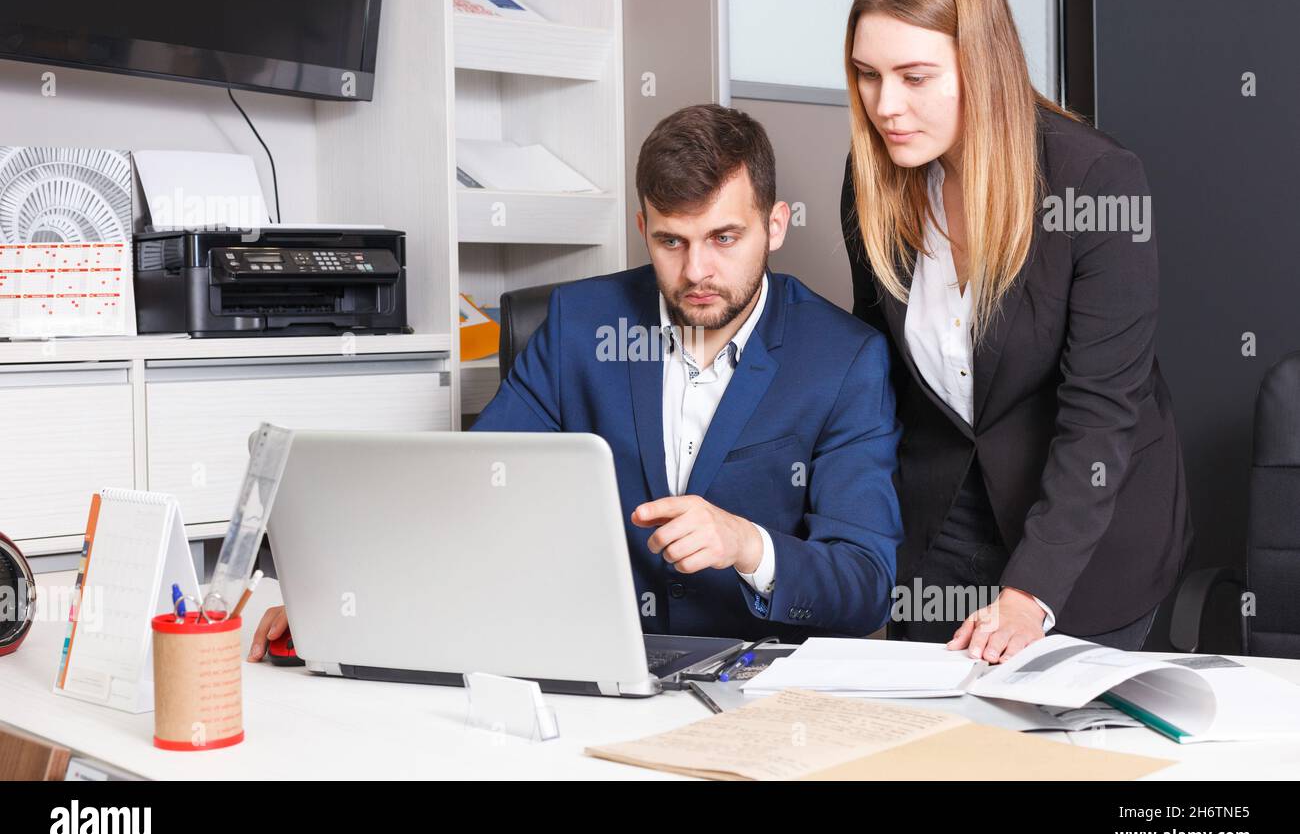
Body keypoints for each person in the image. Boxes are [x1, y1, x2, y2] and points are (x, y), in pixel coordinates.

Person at [249, 103, 903, 660]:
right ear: (642, 227)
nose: (697, 270)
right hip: (589, 668)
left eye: (724, 237)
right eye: (672, 242)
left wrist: (744, 543)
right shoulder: (578, 324)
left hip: (761, 688)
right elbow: (472, 490)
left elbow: (865, 581)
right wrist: (345, 590)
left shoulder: (843, 360)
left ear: (776, 225)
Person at [840, 0, 1191, 662]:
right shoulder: (873, 180)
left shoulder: (1096, 182)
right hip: (942, 521)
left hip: (1087, 527)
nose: (885, 107)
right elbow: (875, 369)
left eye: (914, 76)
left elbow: (1101, 411)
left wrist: (1030, 595)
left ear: (982, 66)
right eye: (867, 76)